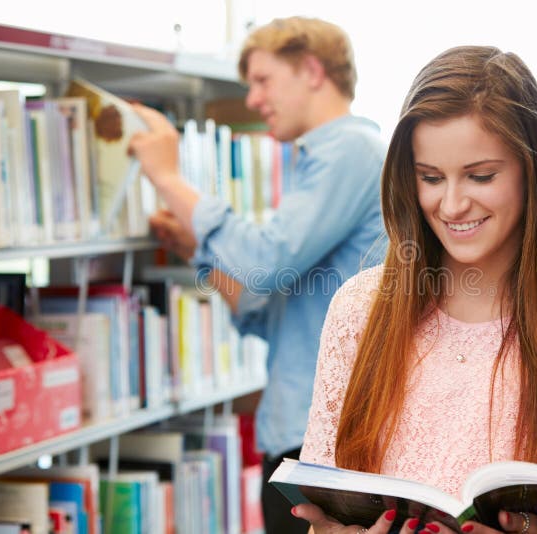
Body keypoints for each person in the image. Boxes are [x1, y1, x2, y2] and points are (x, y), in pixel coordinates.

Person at [294, 45, 537, 534]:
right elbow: (324, 512)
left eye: (480, 176)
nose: (452, 205)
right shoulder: (359, 307)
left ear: (531, 170)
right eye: (431, 178)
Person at [128, 17, 387, 533]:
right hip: (300, 438)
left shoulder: (348, 152)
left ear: (312, 70)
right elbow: (265, 311)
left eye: (263, 80)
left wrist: (168, 177)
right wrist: (198, 253)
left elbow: (267, 264)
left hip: (324, 448)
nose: (252, 99)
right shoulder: (317, 162)